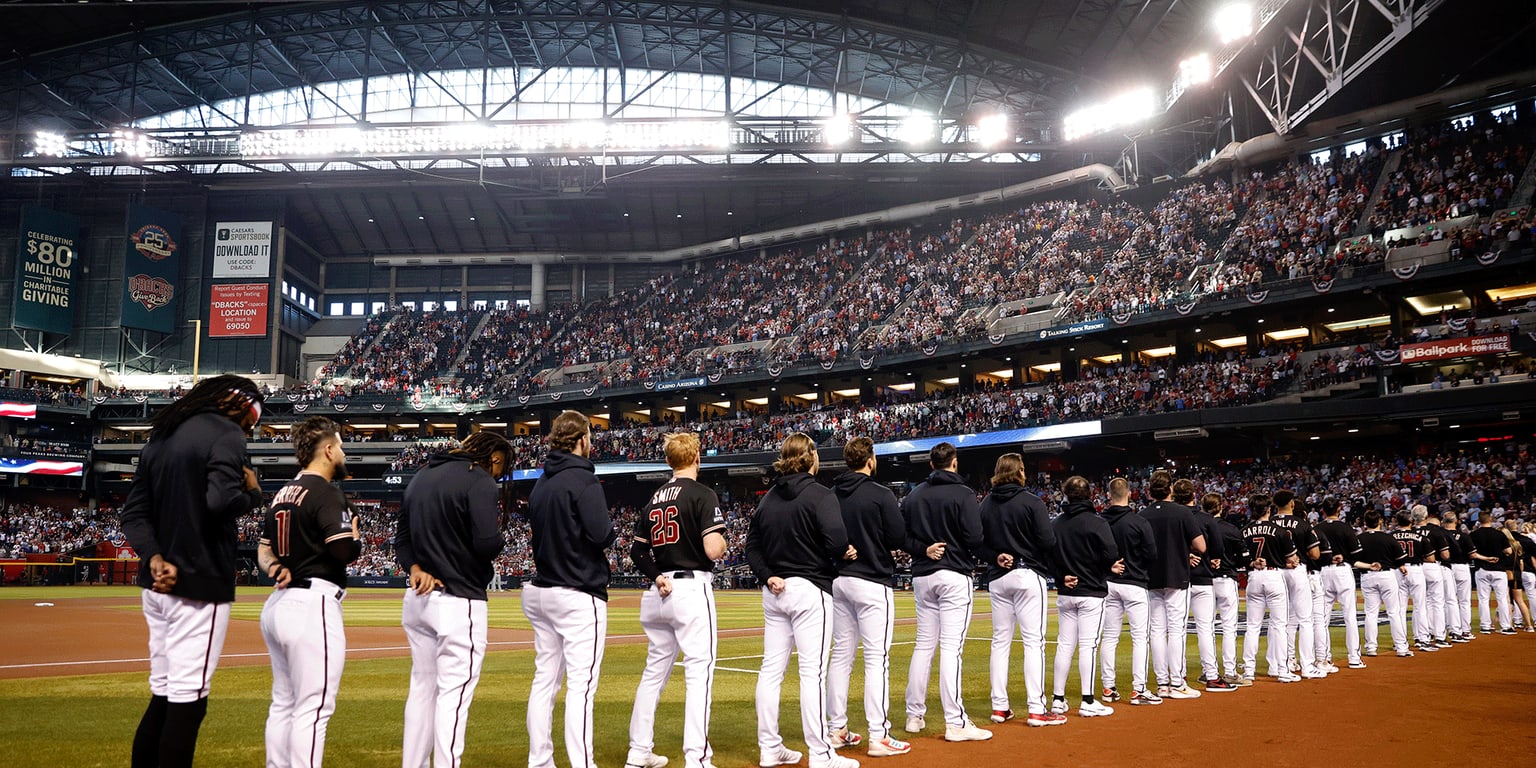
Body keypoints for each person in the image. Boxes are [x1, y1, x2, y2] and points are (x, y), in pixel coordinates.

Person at [121, 375, 265, 768]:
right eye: (250, 423)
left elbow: (133, 513)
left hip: (157, 583)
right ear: (240, 407)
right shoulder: (227, 434)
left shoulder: (163, 434)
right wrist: (252, 493)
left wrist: (152, 555)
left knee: (164, 693)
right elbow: (220, 501)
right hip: (199, 583)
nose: (248, 431)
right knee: (189, 703)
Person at [397, 430, 511, 768]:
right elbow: (487, 543)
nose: (499, 475)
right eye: (500, 467)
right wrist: (500, 539)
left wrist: (416, 567)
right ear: (494, 458)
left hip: (418, 599)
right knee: (453, 696)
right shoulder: (479, 481)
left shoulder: (421, 476)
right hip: (459, 600)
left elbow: (402, 538)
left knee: (422, 691)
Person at [746, 432, 857, 768]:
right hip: (811, 589)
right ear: (810, 458)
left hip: (775, 591)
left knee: (771, 671)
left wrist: (768, 576)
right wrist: (840, 553)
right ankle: (821, 755)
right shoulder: (821, 495)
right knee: (812, 674)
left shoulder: (767, 499)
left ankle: (769, 748)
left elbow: (752, 546)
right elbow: (837, 541)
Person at [258, 416, 361, 768]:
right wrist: (356, 533)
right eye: (342, 446)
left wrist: (273, 567)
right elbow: (343, 552)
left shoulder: (284, 492)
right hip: (312, 604)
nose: (344, 452)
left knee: (283, 702)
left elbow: (263, 549)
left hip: (279, 602)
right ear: (329, 450)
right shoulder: (327, 492)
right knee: (313, 708)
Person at [627, 432, 727, 768]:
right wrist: (722, 545)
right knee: (699, 673)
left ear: (669, 461)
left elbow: (637, 550)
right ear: (697, 456)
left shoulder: (655, 497)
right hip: (690, 588)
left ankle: (638, 751)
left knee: (653, 673)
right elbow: (713, 549)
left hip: (659, 590)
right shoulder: (702, 493)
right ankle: (696, 758)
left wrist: (656, 576)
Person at [525, 411, 618, 768]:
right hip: (579, 592)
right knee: (581, 686)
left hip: (542, 589)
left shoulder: (541, 482)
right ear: (581, 440)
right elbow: (601, 534)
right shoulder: (583, 480)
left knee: (544, 681)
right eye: (590, 436)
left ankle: (540, 761)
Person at [826, 437, 915, 755]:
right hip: (873, 580)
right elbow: (896, 537)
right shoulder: (880, 493)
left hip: (840, 580)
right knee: (876, 659)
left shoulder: (832, 493)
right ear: (870, 459)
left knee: (841, 657)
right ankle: (878, 735)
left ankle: (836, 730)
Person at [901, 442, 990, 742]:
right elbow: (975, 537)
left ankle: (915, 716)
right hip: (954, 574)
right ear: (954, 462)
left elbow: (902, 537)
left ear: (931, 465)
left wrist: (924, 549)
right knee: (951, 649)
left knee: (924, 645)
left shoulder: (914, 495)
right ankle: (955, 722)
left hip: (923, 576)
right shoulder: (964, 493)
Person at [977, 453, 1064, 728]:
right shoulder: (1031, 501)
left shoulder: (985, 504)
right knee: (1033, 642)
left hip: (998, 577)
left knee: (1000, 642)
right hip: (1028, 574)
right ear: (1021, 472)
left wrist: (995, 557)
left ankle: (999, 707)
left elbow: (976, 543)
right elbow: (1048, 541)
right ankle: (1037, 709)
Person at [1050, 475, 1123, 718]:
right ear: (1089, 494)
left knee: (1064, 645)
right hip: (1091, 591)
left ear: (1066, 494)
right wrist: (1102, 569)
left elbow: (1047, 554)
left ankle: (1058, 699)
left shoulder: (1056, 523)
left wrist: (1062, 576)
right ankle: (1088, 700)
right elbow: (1111, 553)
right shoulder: (1096, 522)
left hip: (1065, 590)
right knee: (1088, 646)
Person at [1142, 474, 1206, 698]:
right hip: (1177, 575)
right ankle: (1177, 683)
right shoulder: (1182, 512)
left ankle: (1162, 684)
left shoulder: (1143, 514)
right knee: (1175, 631)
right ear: (1170, 489)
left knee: (1157, 631)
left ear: (1150, 491)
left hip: (1151, 578)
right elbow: (1201, 545)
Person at [1098, 477, 1158, 706]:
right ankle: (1138, 689)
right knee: (1140, 638)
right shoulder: (1139, 522)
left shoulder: (1100, 521)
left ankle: (1108, 688)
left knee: (1110, 637)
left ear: (1109, 495)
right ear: (1130, 494)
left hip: (1109, 584)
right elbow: (1152, 555)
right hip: (1134, 583)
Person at [1239, 494, 1299, 684]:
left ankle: (1248, 670)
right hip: (1273, 575)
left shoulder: (1244, 531)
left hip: (1254, 576)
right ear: (1269, 510)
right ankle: (1282, 669)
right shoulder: (1279, 530)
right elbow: (1292, 558)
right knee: (1279, 625)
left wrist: (1252, 562)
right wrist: (1288, 561)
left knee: (1252, 626)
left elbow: (1240, 557)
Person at [1270, 490, 1326, 678]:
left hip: (1277, 572)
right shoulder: (1302, 523)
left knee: (1279, 620)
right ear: (1292, 504)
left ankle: (1281, 664)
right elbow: (1315, 554)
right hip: (1297, 571)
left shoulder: (1269, 523)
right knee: (1305, 619)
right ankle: (1308, 666)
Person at [1189, 491, 1236, 691]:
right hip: (1209, 578)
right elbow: (1217, 549)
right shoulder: (1209, 521)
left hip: (1177, 579)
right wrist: (1212, 558)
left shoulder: (1177, 516)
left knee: (1169, 630)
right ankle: (1218, 674)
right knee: (1210, 628)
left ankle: (1172, 680)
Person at [1312, 497, 1364, 669]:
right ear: (1339, 509)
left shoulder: (1317, 528)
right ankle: (1354, 658)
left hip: (1323, 572)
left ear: (1323, 511)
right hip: (1342, 571)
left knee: (1322, 618)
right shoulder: (1345, 528)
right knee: (1350, 616)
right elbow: (1356, 554)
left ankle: (1323, 658)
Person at [1355, 509, 1413, 658]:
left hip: (1367, 576)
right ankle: (1401, 648)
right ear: (1380, 521)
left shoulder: (1359, 538)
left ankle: (1371, 648)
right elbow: (1400, 560)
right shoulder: (1388, 538)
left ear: (1365, 522)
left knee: (1371, 613)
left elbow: (1354, 561)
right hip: (1387, 575)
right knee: (1394, 612)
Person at [1211, 501, 1248, 686]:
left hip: (1205, 581)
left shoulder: (1198, 525)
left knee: (1206, 629)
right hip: (1226, 580)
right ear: (1220, 508)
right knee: (1228, 628)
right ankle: (1230, 671)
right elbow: (1243, 557)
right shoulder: (1231, 529)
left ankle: (1208, 672)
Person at [1390, 510, 1434, 651]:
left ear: (1397, 521)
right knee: (1420, 606)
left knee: (1399, 608)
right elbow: (1431, 558)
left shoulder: (1391, 537)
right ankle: (1423, 639)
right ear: (1411, 521)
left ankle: (1400, 642)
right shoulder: (1420, 537)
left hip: (1397, 570)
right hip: (1415, 570)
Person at [1416, 507, 1453, 647]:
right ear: (1425, 516)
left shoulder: (1411, 531)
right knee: (1437, 602)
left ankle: (1420, 636)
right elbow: (1445, 555)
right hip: (1432, 566)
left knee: (1420, 604)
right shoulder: (1436, 531)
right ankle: (1439, 636)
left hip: (1415, 567)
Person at [1442, 511, 1475, 642]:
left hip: (1446, 568)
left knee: (1446, 600)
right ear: (1456, 521)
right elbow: (1472, 554)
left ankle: (1447, 628)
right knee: (1464, 600)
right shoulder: (1464, 536)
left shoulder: (1441, 534)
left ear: (1444, 521)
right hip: (1461, 567)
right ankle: (1465, 630)